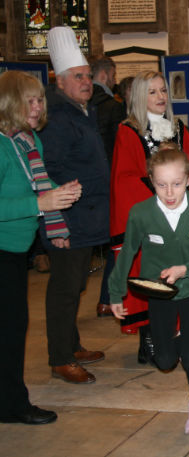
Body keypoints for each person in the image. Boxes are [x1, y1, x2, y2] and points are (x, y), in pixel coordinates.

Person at [109, 146, 189, 435]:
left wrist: (186, 269)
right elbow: (127, 251)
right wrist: (115, 292)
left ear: (188, 179)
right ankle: (179, 342)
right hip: (158, 291)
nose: (169, 192)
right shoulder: (141, 213)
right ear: (150, 181)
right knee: (165, 360)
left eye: (176, 183)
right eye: (161, 184)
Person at [0, 71, 82, 425]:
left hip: (17, 251)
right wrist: (41, 203)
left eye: (39, 100)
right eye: (30, 100)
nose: (37, 108)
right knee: (11, 329)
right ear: (9, 103)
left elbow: (38, 181)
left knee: (14, 327)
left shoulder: (27, 141)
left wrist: (59, 196)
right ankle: (13, 404)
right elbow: (27, 198)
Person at [110, 71, 189, 362]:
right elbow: (124, 177)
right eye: (152, 92)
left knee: (179, 275)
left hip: (180, 214)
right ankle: (149, 336)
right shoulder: (129, 130)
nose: (161, 97)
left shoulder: (178, 127)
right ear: (139, 96)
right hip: (151, 216)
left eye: (163, 90)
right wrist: (159, 198)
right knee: (149, 277)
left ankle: (176, 335)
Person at [38, 26, 109, 384]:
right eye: (79, 77)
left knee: (76, 284)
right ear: (61, 81)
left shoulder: (82, 110)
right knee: (64, 290)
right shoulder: (57, 118)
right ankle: (60, 357)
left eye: (87, 76)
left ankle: (72, 344)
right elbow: (48, 175)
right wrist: (57, 224)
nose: (87, 82)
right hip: (69, 220)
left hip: (88, 218)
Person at [90, 55, 127, 318]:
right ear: (105, 74)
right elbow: (118, 151)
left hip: (87, 186)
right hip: (111, 183)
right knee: (120, 240)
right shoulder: (113, 108)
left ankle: (104, 299)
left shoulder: (84, 106)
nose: (114, 81)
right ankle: (107, 298)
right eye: (113, 75)